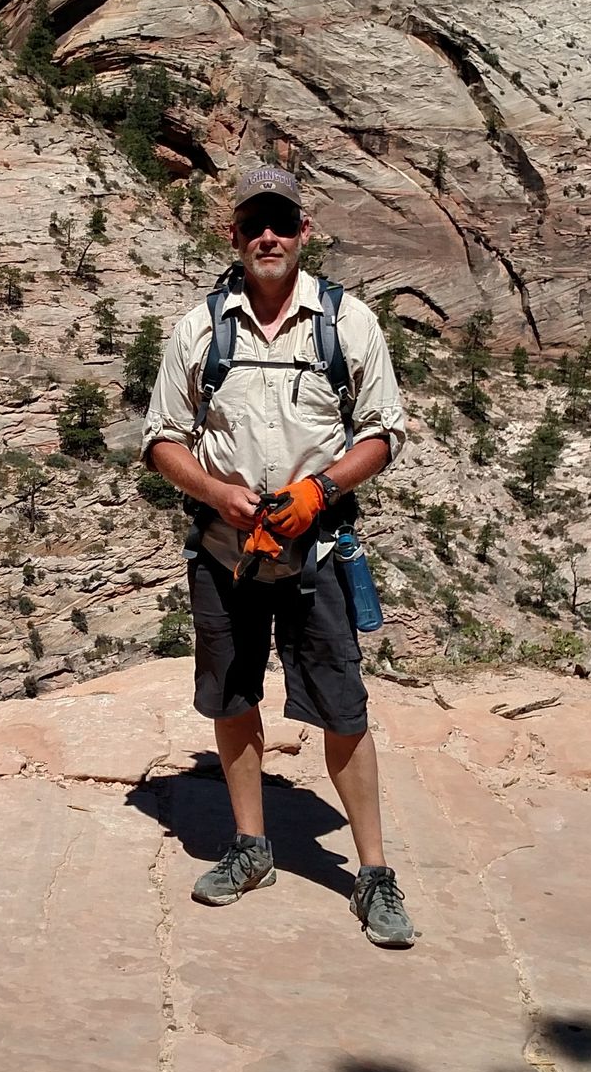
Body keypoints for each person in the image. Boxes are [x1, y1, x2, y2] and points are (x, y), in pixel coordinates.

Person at [139, 165, 416, 947]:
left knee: (342, 707)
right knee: (233, 698)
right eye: (255, 223)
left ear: (303, 232)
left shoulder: (347, 322)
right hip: (224, 550)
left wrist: (319, 491)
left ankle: (373, 873)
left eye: (282, 223)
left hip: (316, 550)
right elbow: (161, 438)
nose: (269, 236)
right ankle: (252, 847)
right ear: (234, 233)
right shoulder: (200, 330)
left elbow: (384, 430)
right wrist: (216, 492)